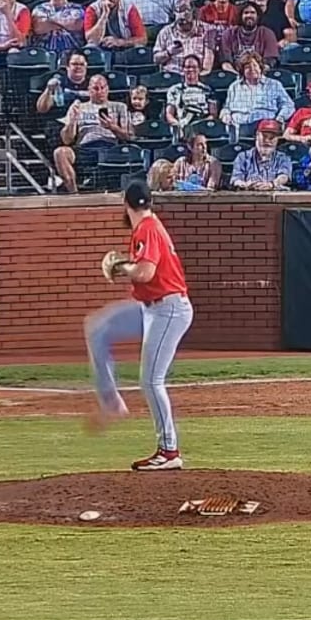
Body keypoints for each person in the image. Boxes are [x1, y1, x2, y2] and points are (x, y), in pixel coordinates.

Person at [86, 180, 194, 472]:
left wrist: (121, 267)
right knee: (98, 328)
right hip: (151, 307)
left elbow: (146, 273)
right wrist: (125, 266)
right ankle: (111, 402)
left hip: (168, 309)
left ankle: (169, 451)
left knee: (150, 380)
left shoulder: (147, 227)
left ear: (126, 203)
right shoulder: (150, 225)